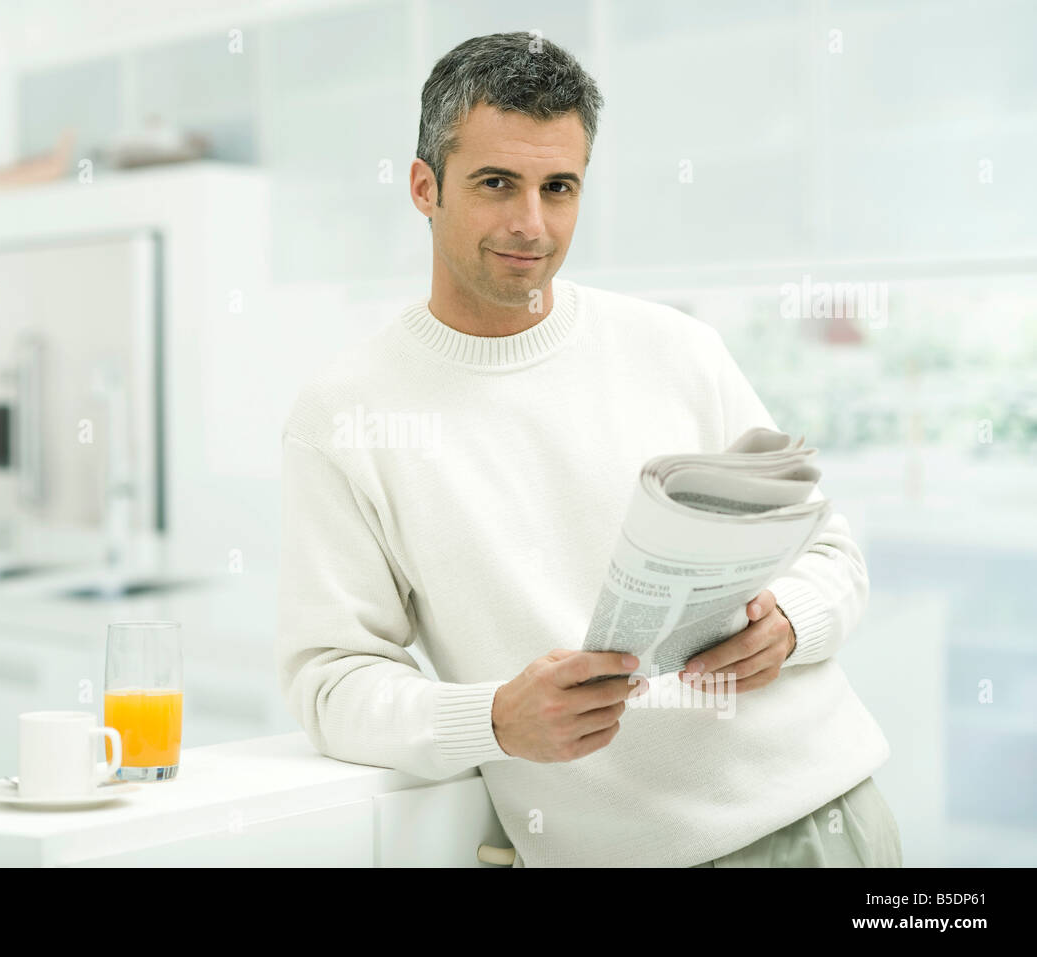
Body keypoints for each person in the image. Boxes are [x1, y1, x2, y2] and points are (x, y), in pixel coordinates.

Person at [275, 31, 900, 867]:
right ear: (425, 187)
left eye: (558, 187)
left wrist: (789, 620)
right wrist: (493, 717)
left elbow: (831, 550)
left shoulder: (676, 346)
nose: (531, 224)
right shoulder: (345, 417)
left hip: (829, 821)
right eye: (497, 183)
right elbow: (330, 681)